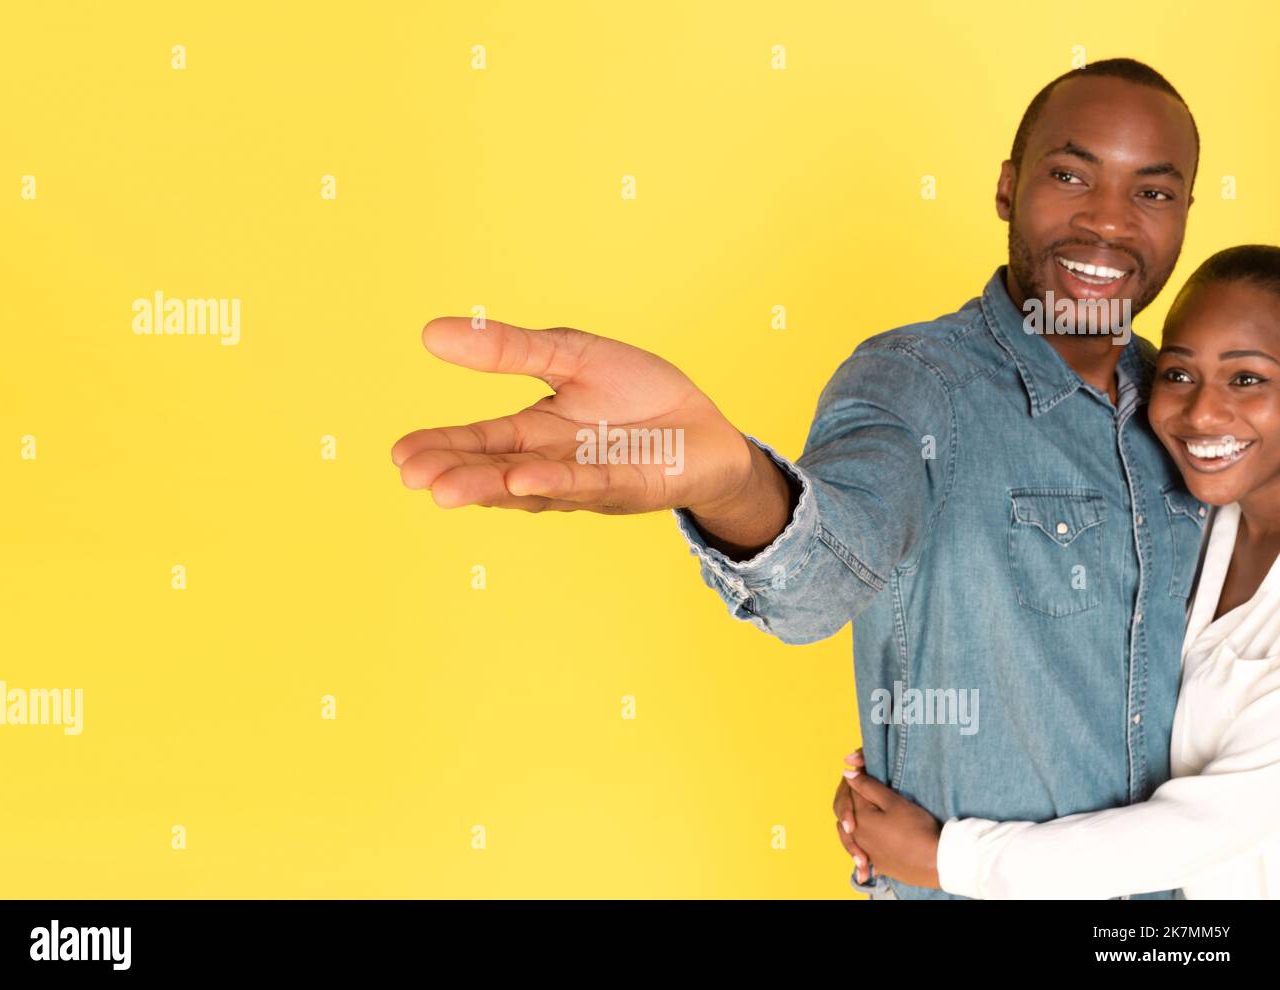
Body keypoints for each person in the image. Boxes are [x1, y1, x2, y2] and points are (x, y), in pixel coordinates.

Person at [391, 59, 1204, 899]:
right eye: (1070, 175)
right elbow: (828, 570)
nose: (1108, 222)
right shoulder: (914, 384)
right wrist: (733, 484)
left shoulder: (1199, 412)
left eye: (1152, 192)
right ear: (1007, 188)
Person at [843, 245, 1280, 899]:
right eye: (1180, 374)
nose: (1203, 413)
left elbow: (1195, 829)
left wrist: (942, 858)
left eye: (1247, 379)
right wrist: (913, 754)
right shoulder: (1197, 512)